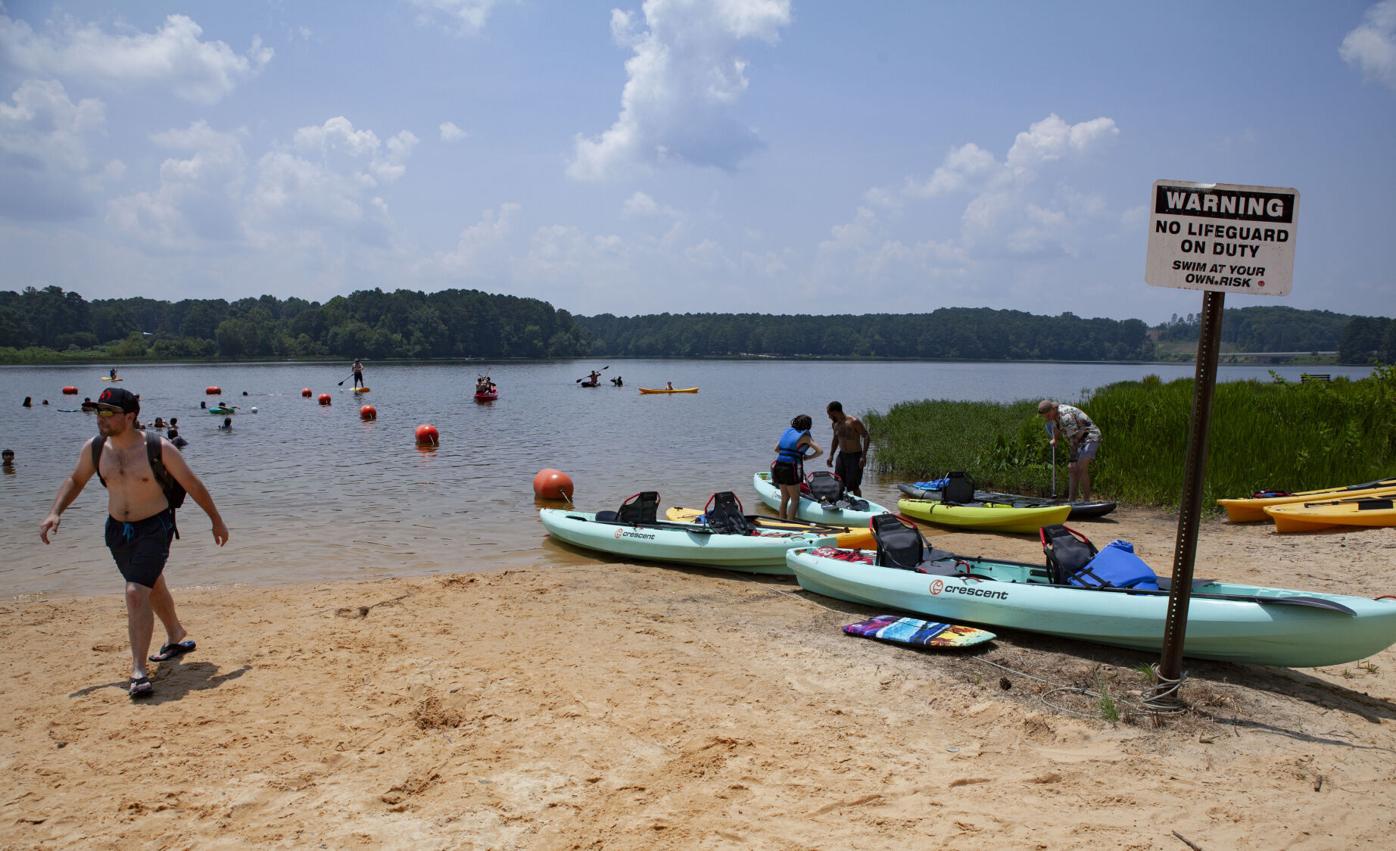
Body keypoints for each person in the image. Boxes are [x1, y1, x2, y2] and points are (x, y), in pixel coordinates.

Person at [39, 387, 229, 699]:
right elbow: (75, 480)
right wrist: (55, 512)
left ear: (130, 416)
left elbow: (192, 483)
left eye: (108, 412)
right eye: (99, 411)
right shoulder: (96, 448)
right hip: (117, 530)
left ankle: (139, 671)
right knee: (150, 583)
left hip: (155, 527)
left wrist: (216, 520)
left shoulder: (159, 448)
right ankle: (176, 635)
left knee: (135, 591)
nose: (101, 418)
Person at [1038, 399, 1101, 502]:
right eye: (1045, 417)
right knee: (1072, 470)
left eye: (1048, 416)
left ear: (1053, 409)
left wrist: (1072, 460)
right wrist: (1055, 439)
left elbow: (1074, 439)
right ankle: (1071, 501)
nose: (1047, 418)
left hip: (1090, 436)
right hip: (1079, 439)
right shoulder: (1053, 415)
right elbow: (1055, 427)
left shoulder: (1065, 417)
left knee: (1080, 467)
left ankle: (1086, 501)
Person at [772, 415, 822, 521]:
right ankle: (790, 523)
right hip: (791, 467)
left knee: (785, 498)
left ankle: (781, 521)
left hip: (779, 465)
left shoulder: (787, 432)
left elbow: (776, 449)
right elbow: (820, 451)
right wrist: (808, 457)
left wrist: (788, 453)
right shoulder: (805, 436)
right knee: (795, 500)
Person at [825, 401, 870, 497]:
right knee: (838, 483)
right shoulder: (835, 424)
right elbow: (835, 439)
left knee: (854, 486)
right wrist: (831, 455)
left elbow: (866, 436)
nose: (829, 417)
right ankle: (840, 502)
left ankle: (859, 504)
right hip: (842, 456)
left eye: (829, 414)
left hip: (855, 456)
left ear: (835, 412)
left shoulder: (854, 422)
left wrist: (863, 456)